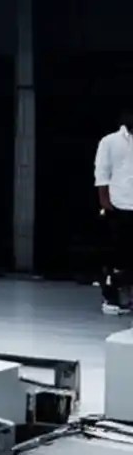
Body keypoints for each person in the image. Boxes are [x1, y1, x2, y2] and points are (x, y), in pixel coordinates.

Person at [95, 110, 133, 315]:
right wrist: (104, 200)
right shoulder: (110, 141)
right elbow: (101, 171)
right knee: (116, 255)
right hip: (118, 203)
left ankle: (127, 295)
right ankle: (111, 297)